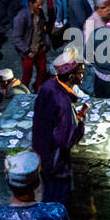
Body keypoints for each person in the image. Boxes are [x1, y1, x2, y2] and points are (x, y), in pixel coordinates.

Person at [32, 48, 88, 207]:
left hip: (41, 155)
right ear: (71, 76)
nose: (82, 75)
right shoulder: (63, 103)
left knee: (48, 195)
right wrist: (80, 123)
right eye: (79, 72)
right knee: (57, 204)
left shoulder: (48, 86)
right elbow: (65, 141)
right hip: (56, 165)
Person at [11, 0, 50, 91]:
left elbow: (43, 31)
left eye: (41, 4)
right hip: (28, 52)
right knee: (27, 76)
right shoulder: (21, 16)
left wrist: (46, 44)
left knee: (42, 73)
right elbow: (16, 38)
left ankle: (39, 91)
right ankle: (24, 94)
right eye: (38, 5)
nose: (41, 7)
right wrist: (27, 51)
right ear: (31, 4)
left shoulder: (41, 13)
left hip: (40, 49)